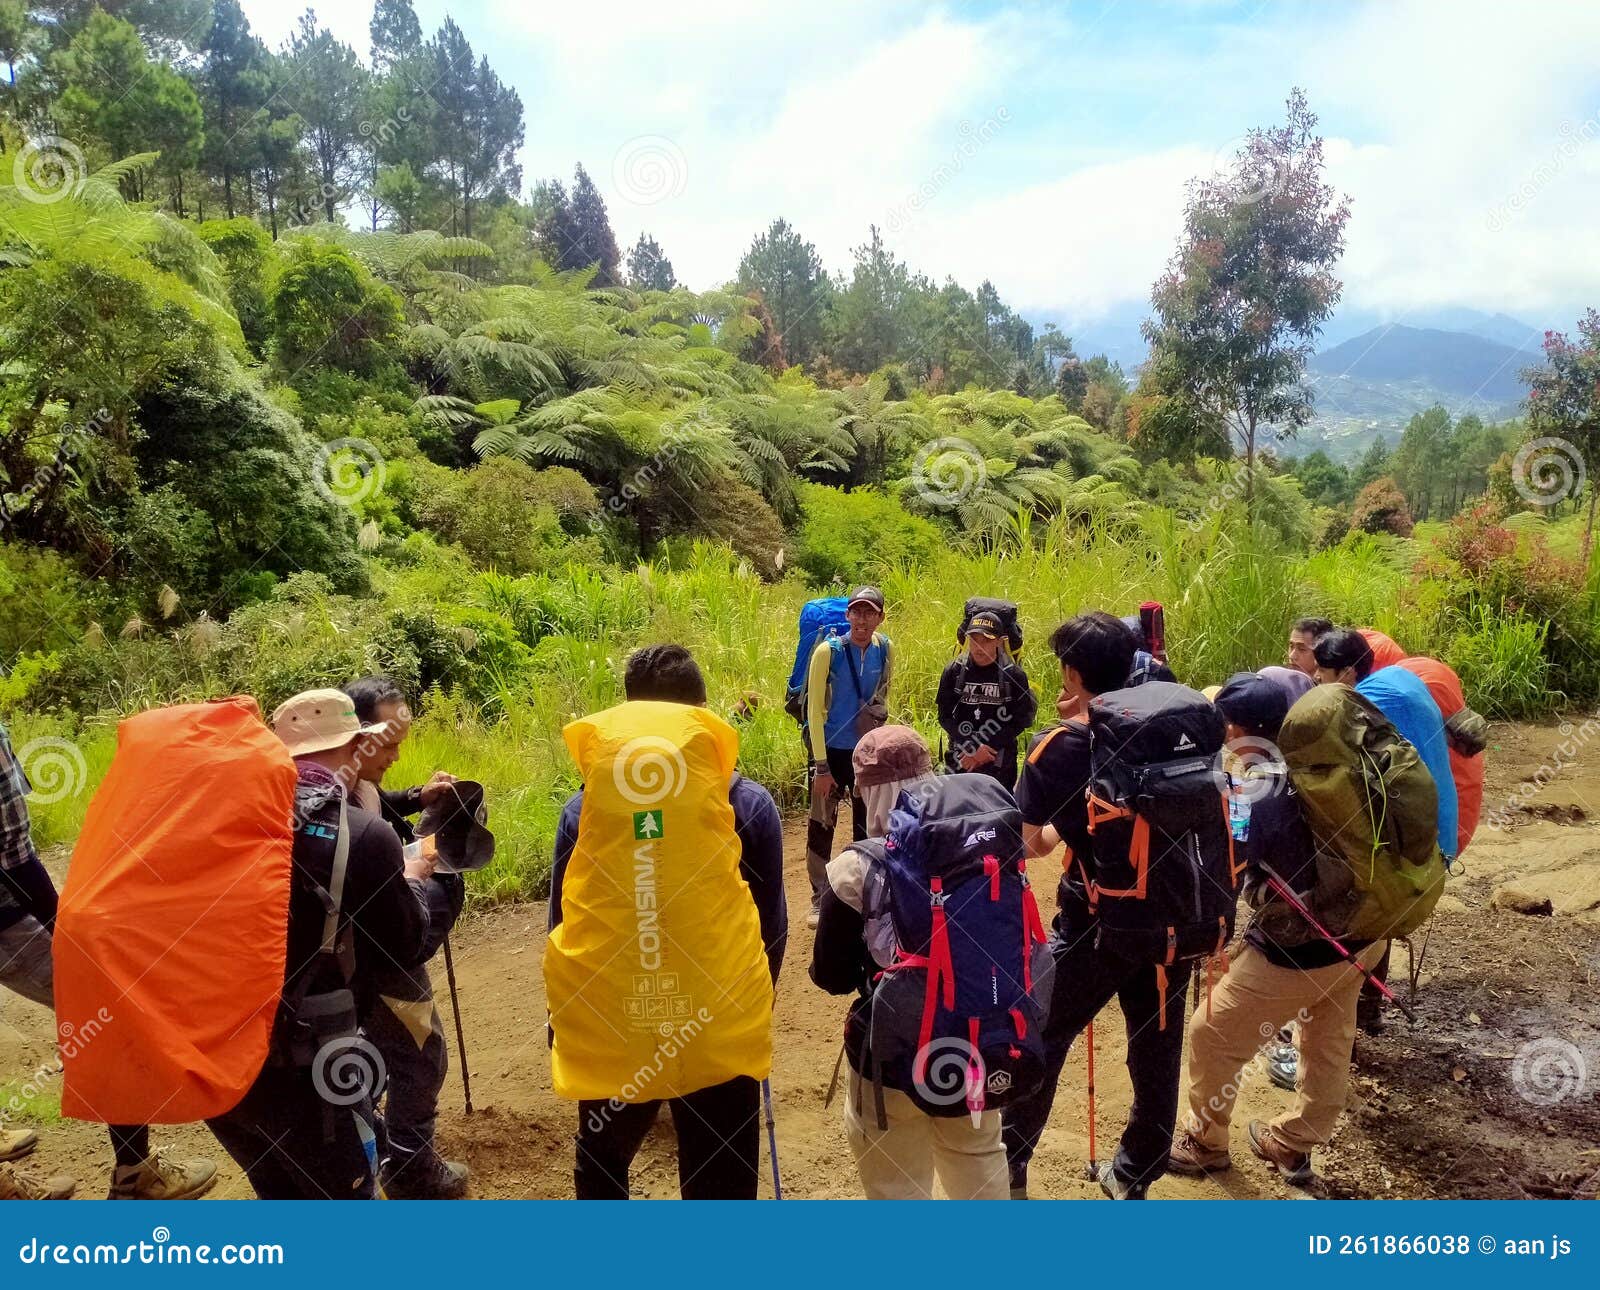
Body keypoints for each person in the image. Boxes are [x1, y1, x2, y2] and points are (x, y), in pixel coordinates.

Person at [548, 644, 785, 1200]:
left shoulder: (584, 809)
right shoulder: (745, 804)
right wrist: (751, 1007)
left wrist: (566, 1020)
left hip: (613, 1021)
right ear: (701, 712)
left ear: (626, 710)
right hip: (717, 1023)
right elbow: (769, 929)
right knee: (719, 1184)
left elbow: (565, 922)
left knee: (603, 1168)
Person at [205, 690, 436, 1199]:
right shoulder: (360, 833)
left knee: (278, 1187)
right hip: (307, 1060)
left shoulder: (228, 816)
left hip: (214, 1057)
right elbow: (409, 943)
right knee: (344, 1195)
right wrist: (418, 878)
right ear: (354, 743)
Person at [1002, 612, 1193, 1200]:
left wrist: (1067, 826)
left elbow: (1030, 844)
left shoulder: (1057, 749)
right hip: (1175, 919)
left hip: (1096, 926)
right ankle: (1136, 1171)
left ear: (1072, 673)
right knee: (1157, 1049)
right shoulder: (1172, 722)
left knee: (1039, 1036)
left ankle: (1008, 1169)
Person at [1168, 674, 1384, 1186]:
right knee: (1327, 1037)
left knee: (1210, 1036)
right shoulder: (1320, 765)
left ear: (1235, 728)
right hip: (1368, 930)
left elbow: (1230, 869)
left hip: (1306, 949)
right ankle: (1293, 1144)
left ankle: (1204, 1143)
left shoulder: (1252, 791)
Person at [0, 720, 216, 1201]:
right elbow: (11, 858)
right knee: (112, 1014)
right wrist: (71, 937)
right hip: (5, 917)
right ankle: (135, 1176)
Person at [811, 726, 1010, 1199]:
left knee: (895, 1181)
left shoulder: (854, 868)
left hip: (892, 1054)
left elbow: (832, 977)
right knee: (978, 1158)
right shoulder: (983, 843)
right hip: (977, 1037)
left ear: (866, 790)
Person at [341, 676, 470, 1200]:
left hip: (366, 957)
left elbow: (378, 800)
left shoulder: (350, 782)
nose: (396, 753)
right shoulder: (337, 805)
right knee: (422, 1051)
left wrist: (419, 797)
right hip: (382, 953)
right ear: (356, 735)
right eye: (388, 743)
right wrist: (413, 877)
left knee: (372, 1049)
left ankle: (371, 1145)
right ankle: (409, 1168)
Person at [1311, 629, 1458, 860]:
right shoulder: (1395, 675)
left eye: (1322, 669)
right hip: (1442, 810)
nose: (1317, 676)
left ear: (1348, 672)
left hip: (1421, 824)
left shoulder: (1364, 703)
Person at [804, 586, 894, 928]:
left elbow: (883, 700)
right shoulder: (828, 652)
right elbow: (814, 710)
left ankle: (862, 891)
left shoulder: (885, 649)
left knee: (866, 823)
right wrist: (821, 766)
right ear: (847, 615)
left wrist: (877, 744)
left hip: (864, 754)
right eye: (856, 611)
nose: (862, 619)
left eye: (869, 612)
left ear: (880, 618)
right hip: (828, 750)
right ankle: (818, 896)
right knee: (822, 822)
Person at [935, 609, 1036, 789]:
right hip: (962, 754)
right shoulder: (954, 671)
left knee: (996, 808)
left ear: (999, 641)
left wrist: (987, 747)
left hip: (998, 755)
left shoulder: (1014, 676)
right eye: (974, 640)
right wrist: (971, 746)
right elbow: (944, 716)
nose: (979, 646)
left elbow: (1021, 720)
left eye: (986, 641)